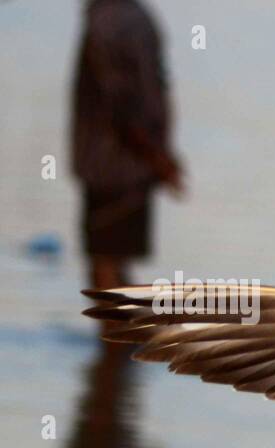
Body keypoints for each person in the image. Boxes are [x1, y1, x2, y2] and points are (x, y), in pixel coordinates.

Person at [71, 0, 183, 290]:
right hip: (126, 164)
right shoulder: (132, 18)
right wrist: (160, 156)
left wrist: (157, 158)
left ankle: (121, 334)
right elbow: (150, 90)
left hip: (112, 167)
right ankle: (129, 333)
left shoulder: (109, 22)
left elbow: (122, 103)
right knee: (113, 266)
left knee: (105, 265)